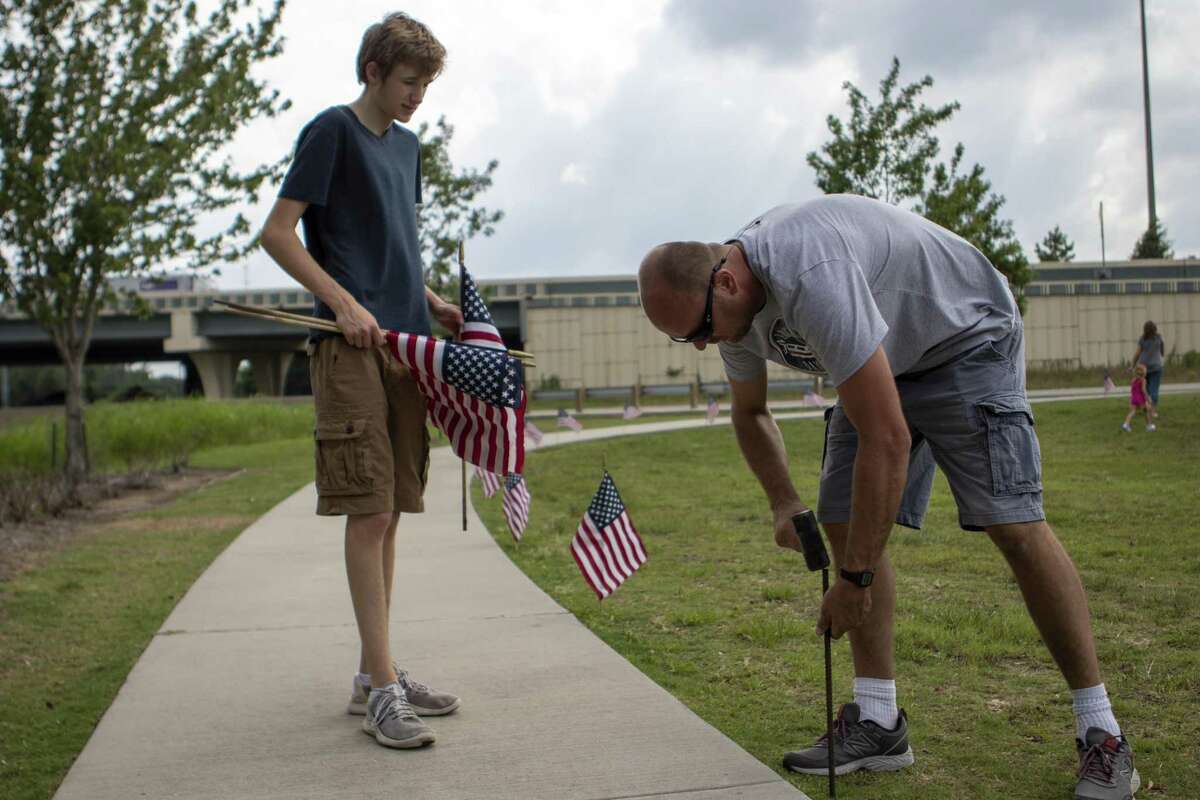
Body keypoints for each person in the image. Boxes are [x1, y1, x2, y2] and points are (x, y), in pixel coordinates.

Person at [637, 195, 1138, 799]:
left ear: (725, 281)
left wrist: (857, 581)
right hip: (884, 359)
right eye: (683, 339)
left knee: (1014, 525)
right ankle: (878, 723)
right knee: (842, 515)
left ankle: (1102, 733)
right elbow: (751, 411)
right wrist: (781, 501)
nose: (699, 346)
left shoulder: (807, 273)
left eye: (697, 332)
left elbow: (888, 437)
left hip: (966, 338)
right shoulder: (728, 310)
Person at [259, 12, 463, 750]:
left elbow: (396, 237)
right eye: (409, 81)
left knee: (395, 510)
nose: (417, 97)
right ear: (373, 71)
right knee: (368, 509)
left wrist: (431, 297)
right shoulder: (330, 132)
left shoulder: (409, 148)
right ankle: (382, 689)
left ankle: (372, 671)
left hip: (408, 345)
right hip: (348, 349)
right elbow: (278, 232)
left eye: (426, 85)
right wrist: (341, 301)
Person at [1132, 321, 1164, 416]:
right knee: (1154, 390)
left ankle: (1145, 407)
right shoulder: (1158, 337)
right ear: (1155, 328)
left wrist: (1133, 364)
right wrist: (1161, 354)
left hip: (1143, 368)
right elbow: (1162, 348)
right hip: (1156, 367)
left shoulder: (1143, 339)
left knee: (1144, 389)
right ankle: (1152, 410)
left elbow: (1137, 353)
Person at [1121, 364, 1156, 433]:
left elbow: (1132, 389)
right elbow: (1143, 390)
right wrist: (1148, 398)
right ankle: (1149, 426)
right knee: (1146, 412)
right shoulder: (1143, 380)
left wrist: (1131, 398)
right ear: (1144, 373)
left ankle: (1126, 424)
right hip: (1140, 399)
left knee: (1132, 412)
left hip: (1133, 398)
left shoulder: (1133, 380)